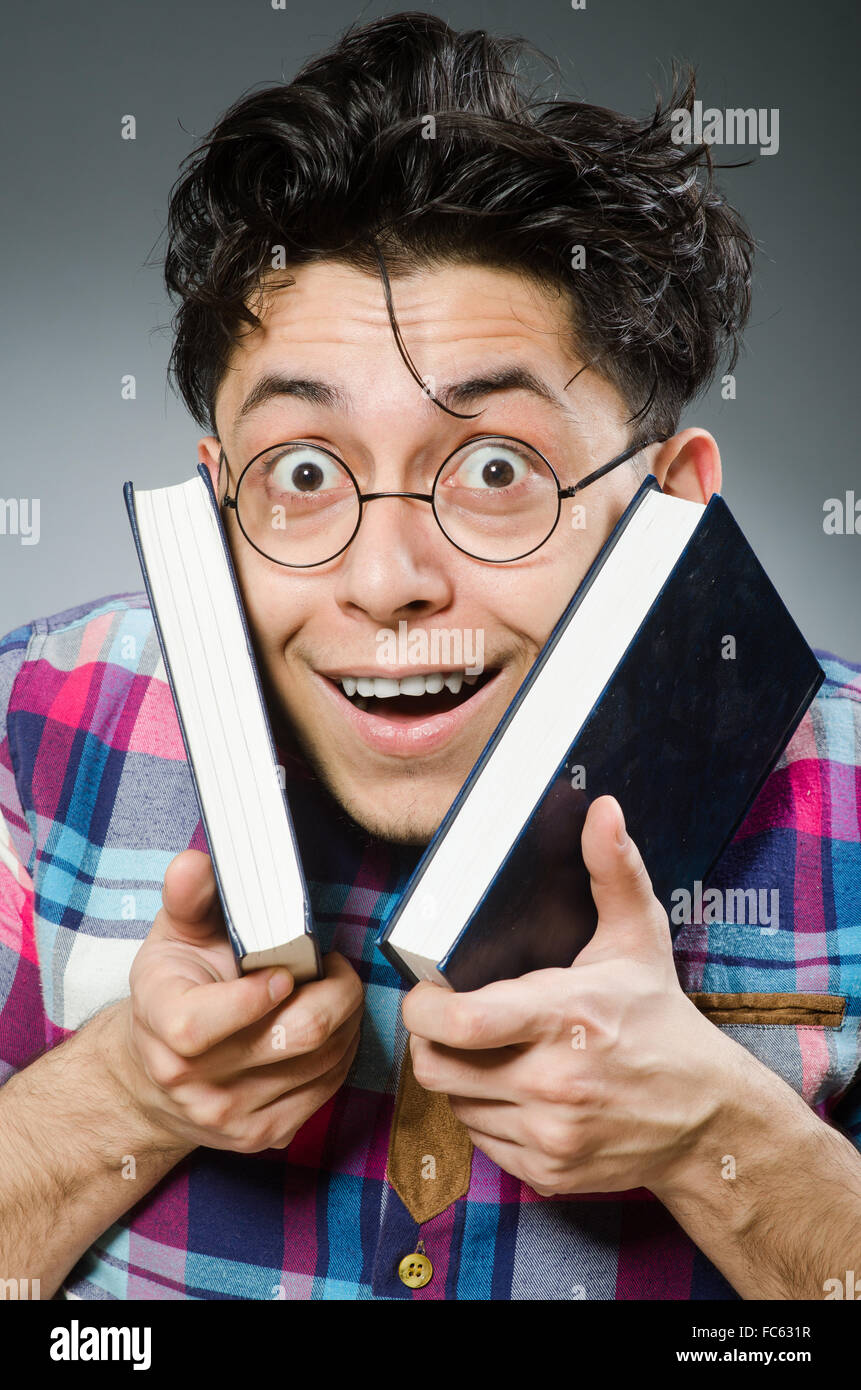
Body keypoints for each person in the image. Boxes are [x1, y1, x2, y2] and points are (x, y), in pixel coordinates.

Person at [1, 12, 859, 1302]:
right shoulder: (35, 722)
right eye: (300, 474)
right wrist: (123, 1092)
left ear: (672, 511)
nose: (387, 583)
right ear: (214, 501)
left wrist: (722, 1140)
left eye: (498, 469)